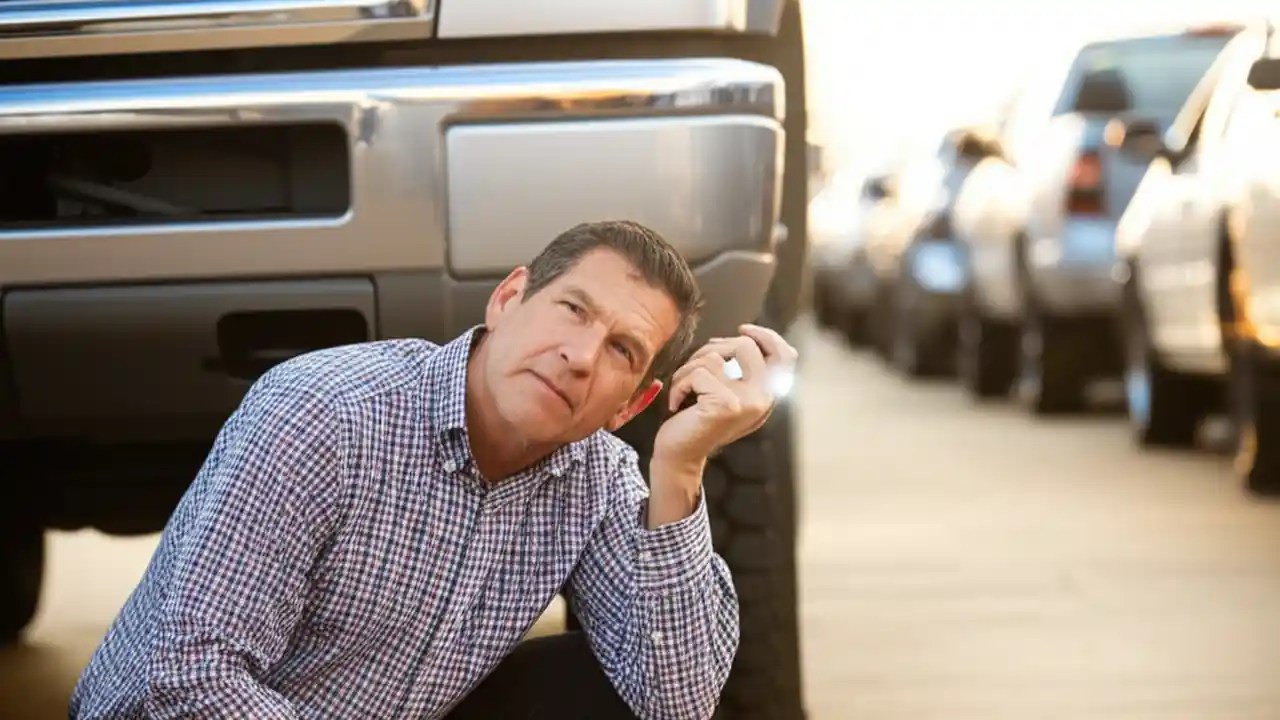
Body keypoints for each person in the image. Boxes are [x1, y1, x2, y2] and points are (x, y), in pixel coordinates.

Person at [69, 220, 798, 719]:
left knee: (593, 685)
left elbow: (672, 703)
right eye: (572, 309)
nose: (580, 354)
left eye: (621, 351)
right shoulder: (328, 413)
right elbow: (191, 677)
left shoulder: (596, 477)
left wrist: (679, 465)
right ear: (509, 300)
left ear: (629, 403)